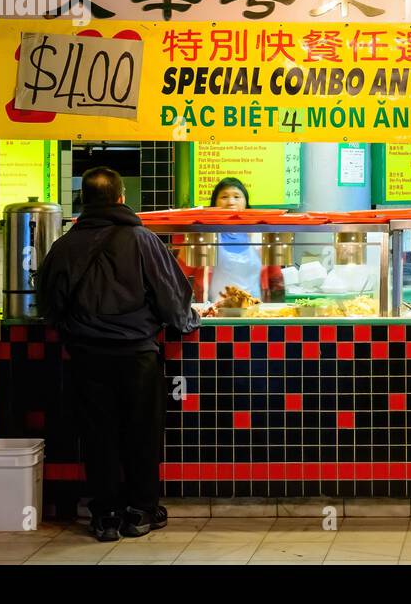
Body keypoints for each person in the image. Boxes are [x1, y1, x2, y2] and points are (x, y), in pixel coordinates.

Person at [38, 166, 200, 541]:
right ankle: (141, 511)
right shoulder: (144, 241)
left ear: (83, 200)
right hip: (137, 355)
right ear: (122, 197)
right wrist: (188, 320)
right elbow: (171, 299)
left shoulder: (65, 245)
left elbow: (49, 305)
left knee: (98, 434)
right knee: (142, 433)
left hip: (86, 357)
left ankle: (106, 515)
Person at [207, 176, 264, 300]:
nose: (231, 202)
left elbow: (274, 277)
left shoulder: (258, 234)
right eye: (224, 197)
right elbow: (182, 272)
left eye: (237, 197)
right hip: (217, 310)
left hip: (254, 309)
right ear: (214, 203)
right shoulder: (207, 235)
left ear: (245, 202)